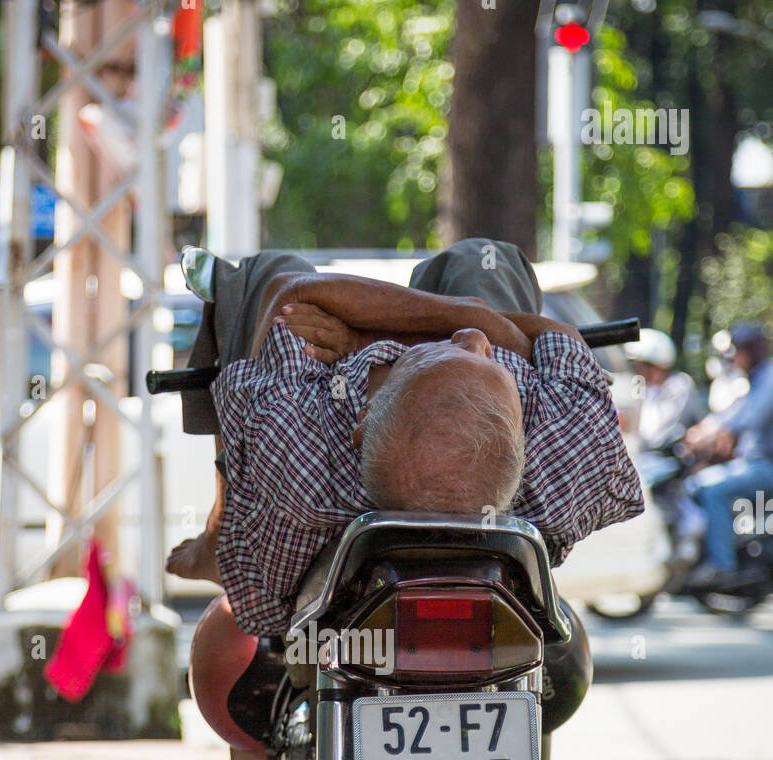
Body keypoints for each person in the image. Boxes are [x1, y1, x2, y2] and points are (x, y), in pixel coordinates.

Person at [166, 238, 643, 636]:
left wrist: (359, 339)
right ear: (524, 444)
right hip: (488, 595)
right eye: (487, 360)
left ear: (364, 418)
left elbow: (293, 293)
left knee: (265, 268)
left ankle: (218, 531)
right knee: (484, 259)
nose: (472, 339)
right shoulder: (569, 454)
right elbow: (552, 336)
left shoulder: (299, 447)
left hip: (283, 601)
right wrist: (484, 319)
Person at [684, 322, 773, 588]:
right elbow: (732, 411)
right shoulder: (756, 379)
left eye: (737, 351)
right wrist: (703, 430)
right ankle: (733, 538)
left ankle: (722, 564)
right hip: (753, 464)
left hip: (765, 466)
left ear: (750, 351)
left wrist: (714, 433)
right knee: (696, 485)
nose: (733, 358)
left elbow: (750, 417)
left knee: (712, 490)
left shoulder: (769, 377)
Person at [625, 328, 702, 453]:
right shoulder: (643, 388)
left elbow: (656, 437)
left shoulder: (679, 385)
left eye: (642, 366)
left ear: (658, 365)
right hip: (648, 455)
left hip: (672, 457)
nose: (639, 372)